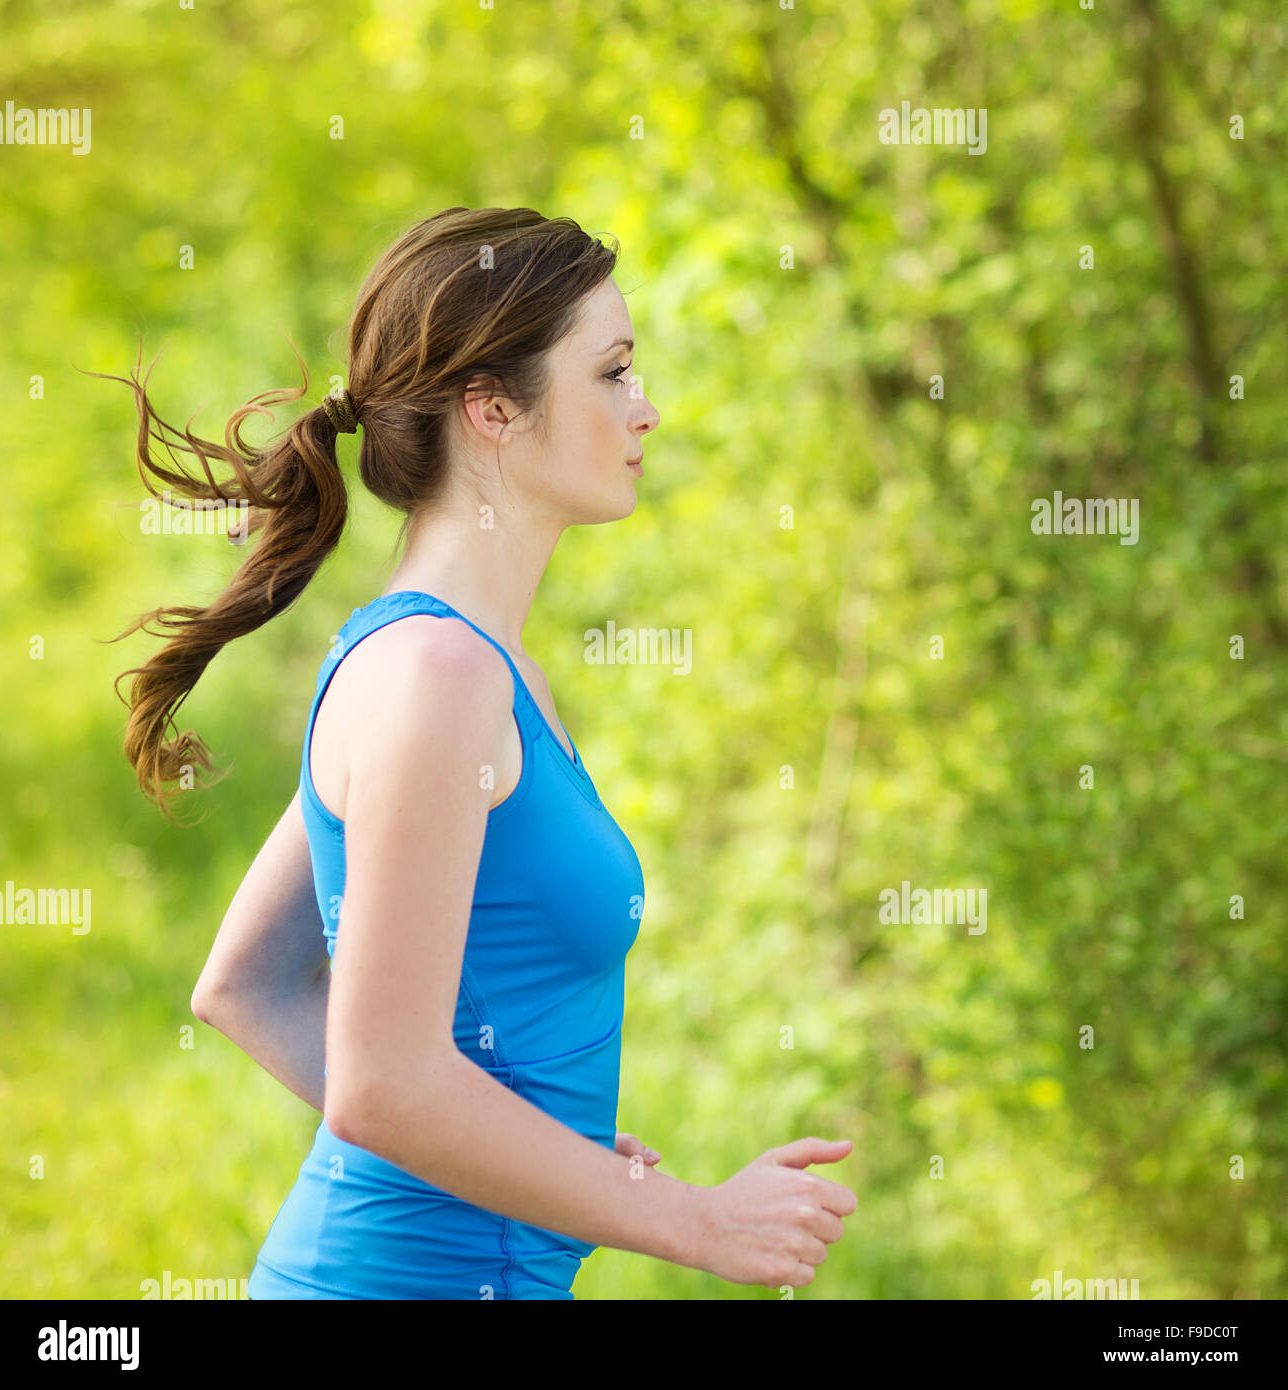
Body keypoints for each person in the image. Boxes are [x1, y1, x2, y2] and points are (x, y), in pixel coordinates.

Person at [106, 206, 856, 1298]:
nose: (646, 408)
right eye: (613, 372)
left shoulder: (470, 667)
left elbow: (248, 983)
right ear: (492, 407)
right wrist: (696, 1221)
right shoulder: (437, 677)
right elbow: (383, 1084)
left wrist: (529, 1152)